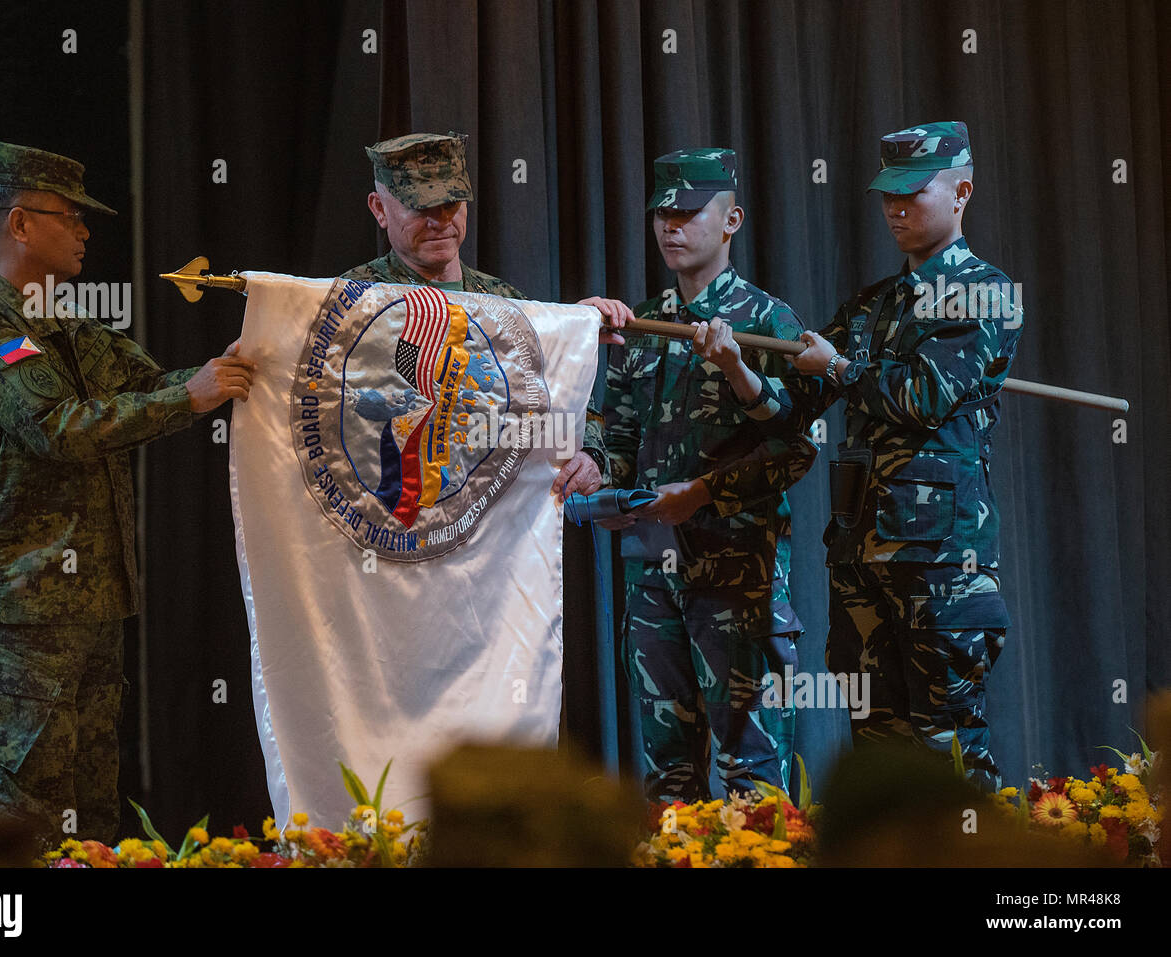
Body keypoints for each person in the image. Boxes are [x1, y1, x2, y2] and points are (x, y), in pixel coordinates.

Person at [0, 141, 256, 847]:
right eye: (69, 216)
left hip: (87, 612)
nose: (85, 231)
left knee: (91, 823)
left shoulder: (66, 327)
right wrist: (190, 400)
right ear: (18, 224)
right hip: (14, 620)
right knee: (23, 822)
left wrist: (252, 354)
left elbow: (157, 386)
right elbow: (56, 428)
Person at [697, 122, 1022, 791]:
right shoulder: (872, 305)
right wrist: (737, 370)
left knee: (950, 748)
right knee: (877, 756)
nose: (896, 209)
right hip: (859, 552)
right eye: (887, 195)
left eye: (914, 192)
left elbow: (922, 395)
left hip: (941, 562)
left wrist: (841, 366)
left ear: (961, 191)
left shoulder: (985, 292)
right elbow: (793, 407)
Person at [601, 148, 817, 801]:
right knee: (669, 777)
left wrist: (700, 494)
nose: (672, 225)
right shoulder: (642, 320)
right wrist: (600, 482)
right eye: (664, 212)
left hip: (738, 580)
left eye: (690, 212)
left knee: (752, 773)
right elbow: (619, 436)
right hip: (654, 576)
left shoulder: (767, 321)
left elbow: (792, 447)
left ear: (731, 221)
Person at [342, 131, 631, 496]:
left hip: (490, 533)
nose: (440, 220)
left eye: (451, 203)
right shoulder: (350, 302)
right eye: (420, 207)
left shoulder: (504, 300)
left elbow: (562, 393)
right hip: (393, 520)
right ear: (380, 209)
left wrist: (588, 453)